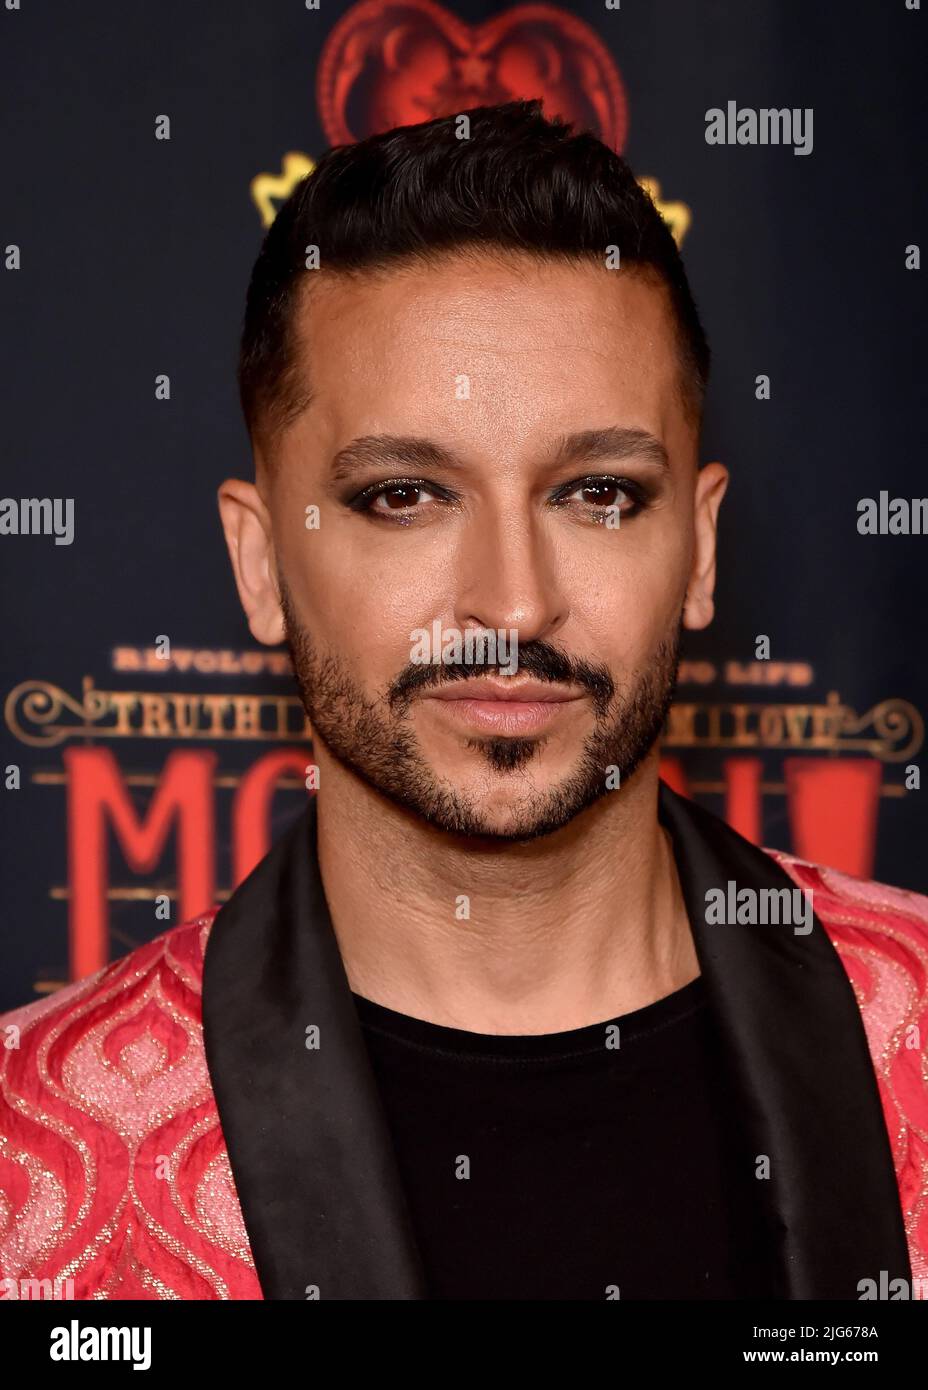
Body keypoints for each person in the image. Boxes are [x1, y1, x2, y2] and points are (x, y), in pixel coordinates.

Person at [1, 100, 925, 1302]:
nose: (509, 602)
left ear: (698, 550)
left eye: (596, 492)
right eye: (403, 496)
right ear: (259, 561)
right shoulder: (26, 1157)